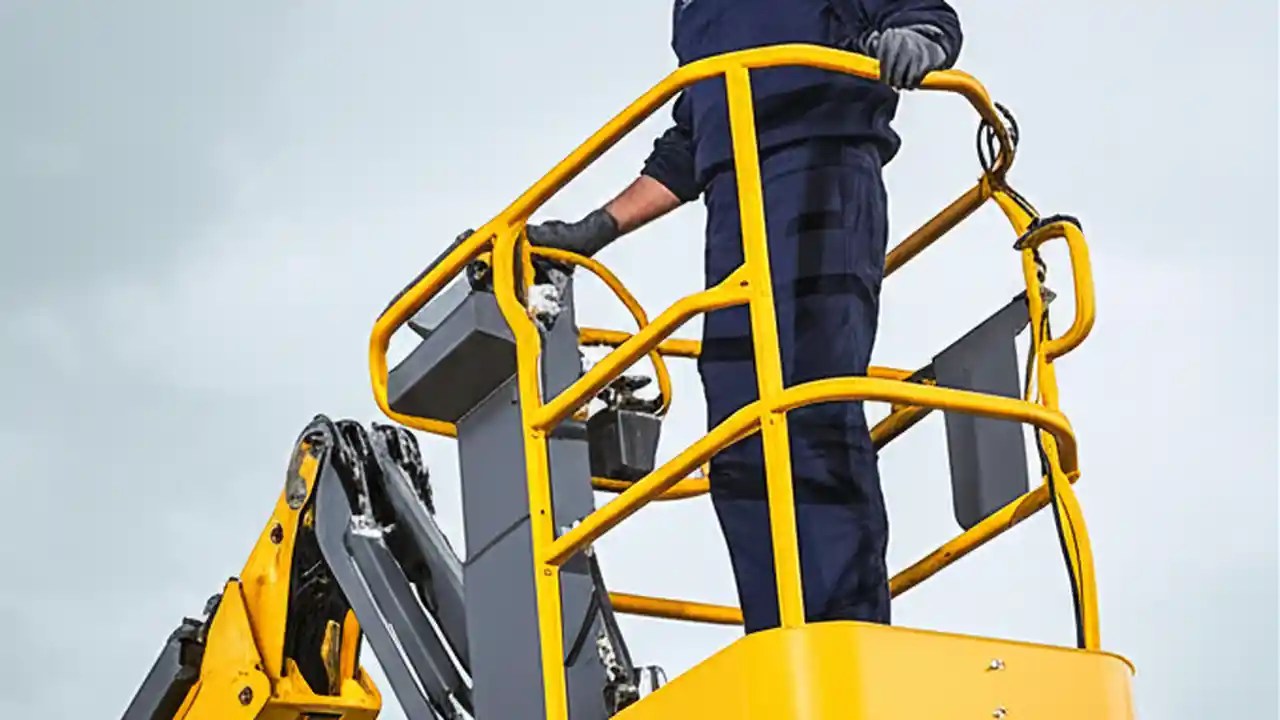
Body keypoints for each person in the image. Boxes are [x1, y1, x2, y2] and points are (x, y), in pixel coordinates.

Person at [523, 1, 963, 634]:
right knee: (737, 432)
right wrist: (597, 228)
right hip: (734, 206)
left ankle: (845, 632)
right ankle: (779, 635)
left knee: (812, 403)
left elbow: (926, 15)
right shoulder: (696, 9)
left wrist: (917, 41)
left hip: (823, 172)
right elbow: (692, 136)